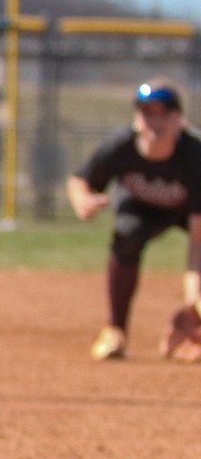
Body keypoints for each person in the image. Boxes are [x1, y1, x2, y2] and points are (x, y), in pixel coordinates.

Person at [69, 79, 201, 362]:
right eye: (146, 112)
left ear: (178, 119)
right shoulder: (121, 146)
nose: (154, 121)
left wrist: (194, 305)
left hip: (185, 211)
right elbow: (80, 179)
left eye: (162, 113)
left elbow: (198, 243)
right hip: (139, 209)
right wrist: (82, 200)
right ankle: (114, 330)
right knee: (126, 234)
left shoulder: (194, 158)